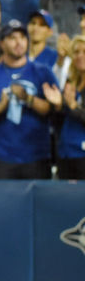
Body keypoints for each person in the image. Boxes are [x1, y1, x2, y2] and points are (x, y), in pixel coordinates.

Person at [0, 20, 58, 179]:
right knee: (1, 204)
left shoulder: (43, 72)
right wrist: (0, 106)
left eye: (23, 37)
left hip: (37, 157)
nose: (19, 42)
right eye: (12, 38)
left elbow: (53, 110)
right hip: (1, 157)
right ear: (2, 43)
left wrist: (28, 98)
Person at [43, 35, 85, 180]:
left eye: (84, 52)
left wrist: (74, 107)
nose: (80, 56)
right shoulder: (70, 84)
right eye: (76, 52)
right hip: (66, 152)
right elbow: (58, 123)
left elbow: (76, 112)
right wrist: (59, 106)